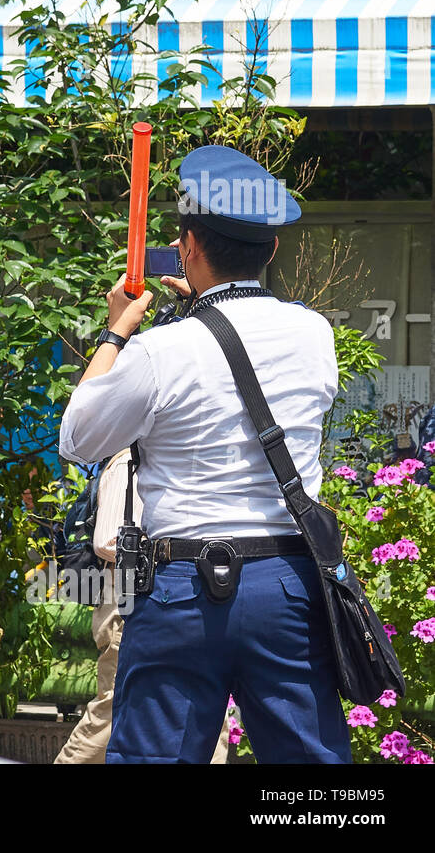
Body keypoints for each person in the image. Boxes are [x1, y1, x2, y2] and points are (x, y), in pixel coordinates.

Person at [59, 145, 350, 763]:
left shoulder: (161, 350)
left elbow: (77, 437)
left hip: (181, 588)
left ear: (187, 245)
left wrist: (117, 333)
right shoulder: (315, 335)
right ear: (270, 249)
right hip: (287, 582)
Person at [54, 448, 229, 764]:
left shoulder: (180, 458)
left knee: (204, 706)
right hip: (131, 600)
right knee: (114, 708)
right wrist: (169, 551)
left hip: (183, 597)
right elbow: (108, 541)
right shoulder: (129, 460)